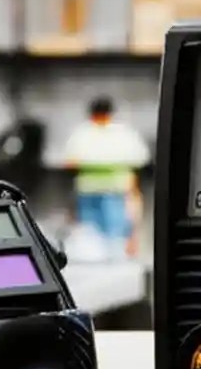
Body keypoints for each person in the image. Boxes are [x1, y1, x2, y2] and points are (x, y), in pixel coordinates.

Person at [63, 96, 151, 261]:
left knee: (109, 232)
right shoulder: (118, 133)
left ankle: (112, 261)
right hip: (95, 191)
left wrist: (92, 162)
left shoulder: (88, 133)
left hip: (111, 191)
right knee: (96, 233)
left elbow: (139, 158)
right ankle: (108, 261)